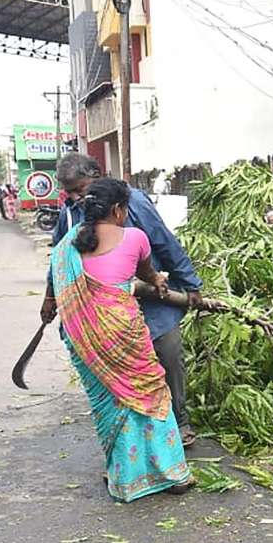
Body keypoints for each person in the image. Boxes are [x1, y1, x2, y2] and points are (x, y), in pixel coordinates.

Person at [40, 153, 203, 448]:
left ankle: (178, 421)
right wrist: (50, 296)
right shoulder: (68, 213)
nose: (77, 196)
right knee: (116, 373)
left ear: (97, 176)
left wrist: (190, 284)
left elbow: (164, 242)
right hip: (99, 310)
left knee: (167, 357)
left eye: (80, 188)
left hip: (151, 303)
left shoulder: (132, 203)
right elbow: (59, 260)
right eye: (70, 191)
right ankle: (130, 434)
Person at [50, 178, 193, 500]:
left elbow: (53, 283)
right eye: (126, 209)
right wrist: (158, 281)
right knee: (152, 394)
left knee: (111, 404)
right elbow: (145, 271)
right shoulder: (135, 237)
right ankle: (174, 474)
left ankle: (124, 476)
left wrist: (48, 306)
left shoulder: (66, 246)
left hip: (86, 337)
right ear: (117, 209)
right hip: (123, 333)